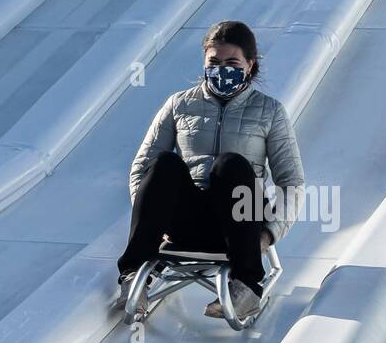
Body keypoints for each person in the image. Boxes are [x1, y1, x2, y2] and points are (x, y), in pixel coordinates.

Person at [116, 20, 305, 321]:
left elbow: (291, 181)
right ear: (204, 63)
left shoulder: (269, 111)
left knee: (230, 164)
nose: (222, 69)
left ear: (249, 64)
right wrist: (154, 215)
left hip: (240, 222)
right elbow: (142, 166)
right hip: (187, 221)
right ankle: (133, 277)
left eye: (232, 62)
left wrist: (269, 234)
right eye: (214, 62)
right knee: (164, 163)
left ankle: (246, 286)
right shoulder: (180, 104)